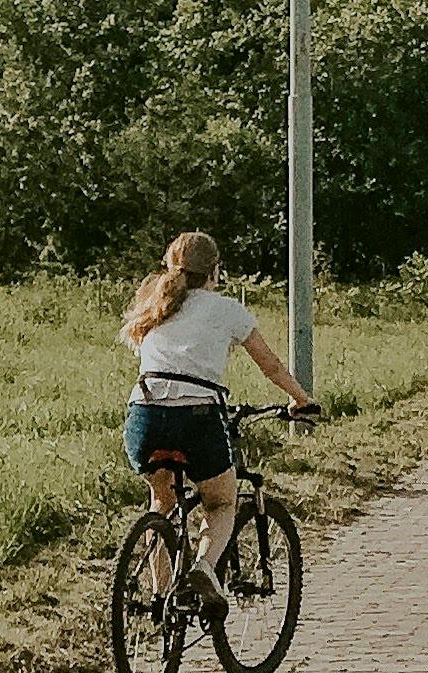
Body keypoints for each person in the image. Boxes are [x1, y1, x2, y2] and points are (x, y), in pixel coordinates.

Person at [121, 230, 317, 606]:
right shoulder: (226, 309)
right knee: (221, 502)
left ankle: (162, 598)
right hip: (197, 418)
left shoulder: (154, 305)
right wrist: (301, 400)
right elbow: (272, 366)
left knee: (160, 501)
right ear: (215, 271)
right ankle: (203, 570)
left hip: (144, 416)